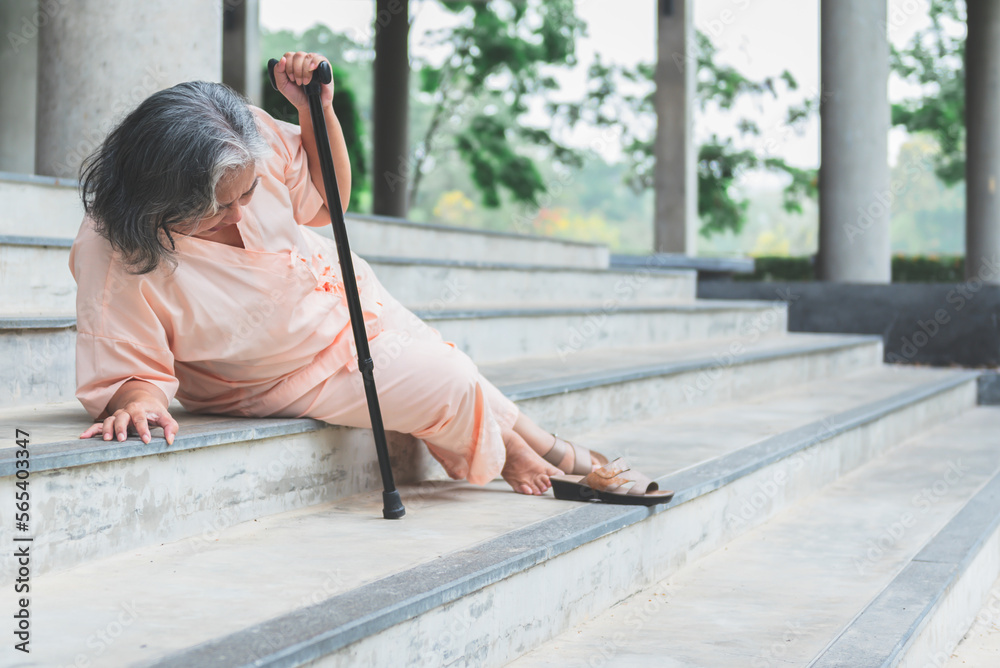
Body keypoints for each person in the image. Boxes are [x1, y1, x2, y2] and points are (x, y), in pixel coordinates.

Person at [70, 52, 614, 497]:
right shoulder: (112, 248)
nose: (238, 215)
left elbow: (327, 206)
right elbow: (127, 357)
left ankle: (530, 442)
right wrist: (138, 402)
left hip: (342, 294)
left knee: (453, 362)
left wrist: (315, 111)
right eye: (215, 208)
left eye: (249, 194)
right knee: (451, 380)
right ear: (158, 200)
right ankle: (527, 447)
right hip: (275, 376)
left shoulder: (245, 136)